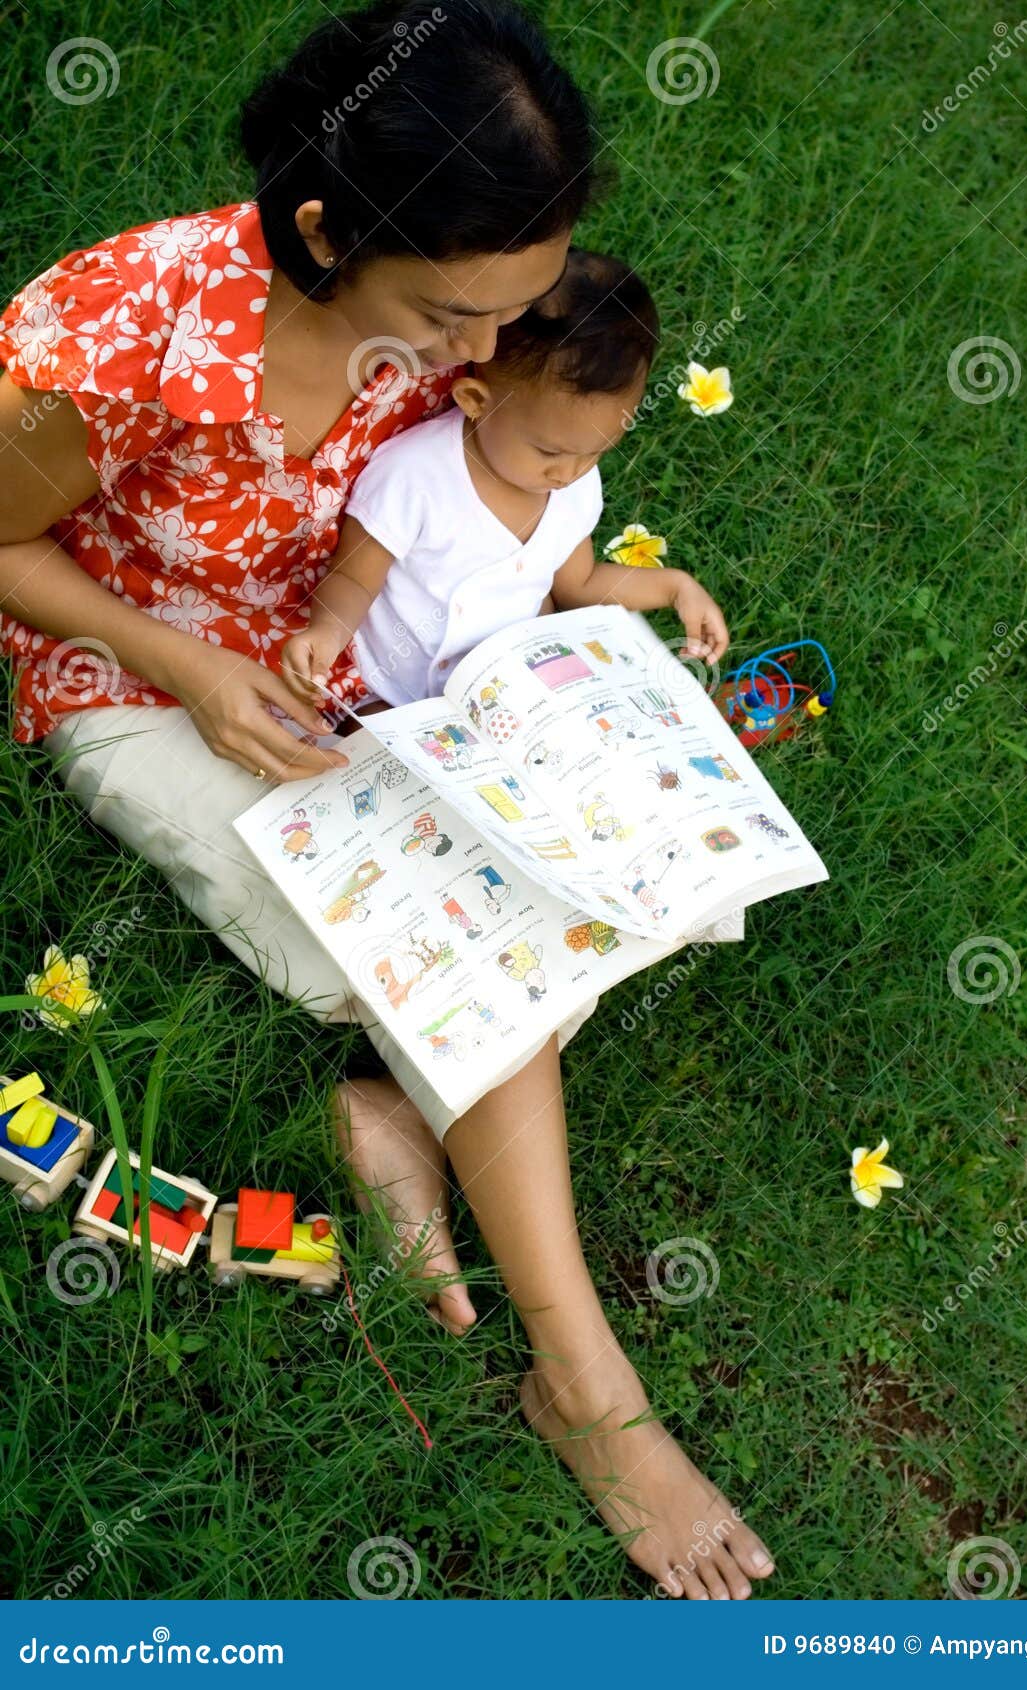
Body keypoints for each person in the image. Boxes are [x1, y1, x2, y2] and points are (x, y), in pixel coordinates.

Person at [0, 0, 774, 1599]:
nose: (483, 356)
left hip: (371, 670)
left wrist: (569, 614)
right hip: (144, 675)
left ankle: (391, 1110)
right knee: (452, 948)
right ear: (318, 231)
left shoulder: (464, 343)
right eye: (451, 313)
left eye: (512, 311)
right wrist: (189, 668)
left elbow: (498, 494)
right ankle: (588, 1390)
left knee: (608, 883)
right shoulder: (109, 342)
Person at [280, 248, 729, 710]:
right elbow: (353, 579)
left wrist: (675, 587)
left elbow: (580, 583)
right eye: (549, 451)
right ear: (476, 399)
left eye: (596, 451)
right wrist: (327, 632)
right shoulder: (416, 476)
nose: (570, 472)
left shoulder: (572, 487)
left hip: (504, 697)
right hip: (386, 688)